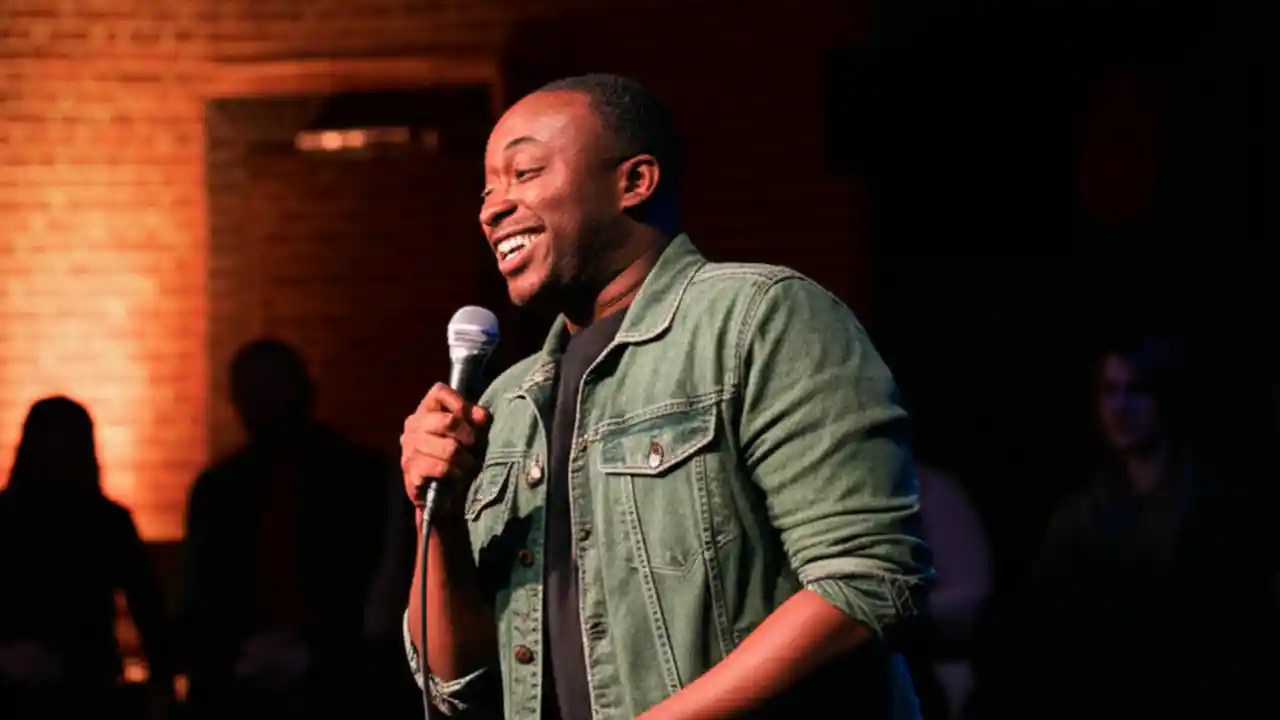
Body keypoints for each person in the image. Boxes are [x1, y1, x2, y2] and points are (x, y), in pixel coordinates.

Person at [399, 73, 932, 719]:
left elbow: (867, 581)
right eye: (487, 189)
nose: (493, 207)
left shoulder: (757, 317)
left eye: (525, 172)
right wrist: (442, 519)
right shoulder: (507, 403)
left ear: (635, 181)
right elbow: (458, 685)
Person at [180, 339, 398, 719]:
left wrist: (314, 648)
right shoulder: (219, 488)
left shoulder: (356, 476)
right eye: (251, 391)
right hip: (238, 682)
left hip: (340, 677)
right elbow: (201, 591)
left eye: (272, 387)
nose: (263, 403)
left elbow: (371, 576)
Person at [0, 396, 176, 718]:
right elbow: (149, 610)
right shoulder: (108, 521)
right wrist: (162, 682)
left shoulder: (8, 519)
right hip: (87, 680)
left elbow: (148, 609)